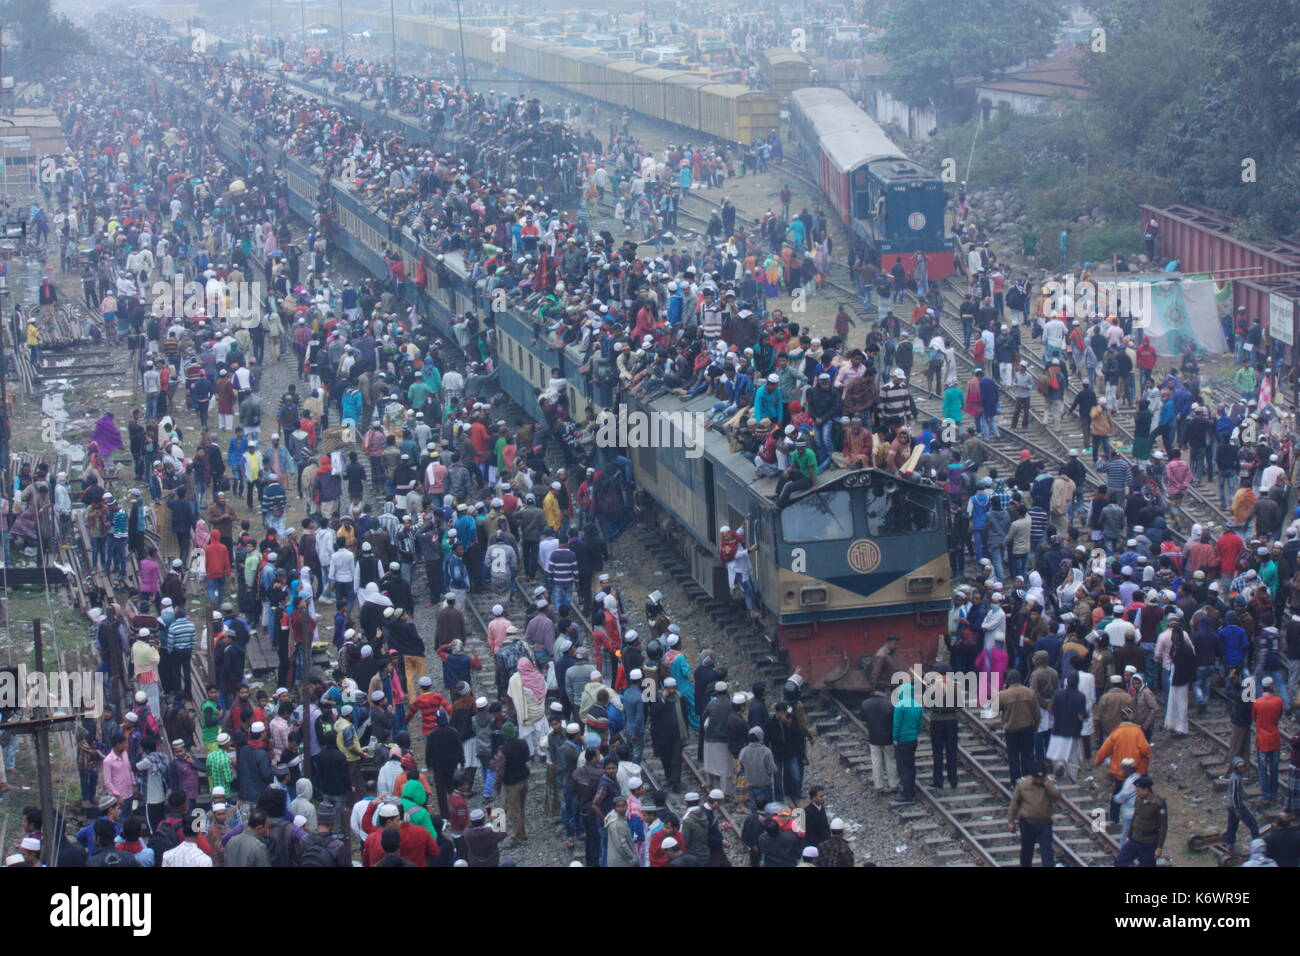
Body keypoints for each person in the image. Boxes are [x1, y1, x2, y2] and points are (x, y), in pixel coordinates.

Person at [1007, 760, 1061, 867]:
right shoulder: (1023, 784)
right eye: (1037, 778)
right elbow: (1014, 803)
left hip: (1045, 823)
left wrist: (1048, 785)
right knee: (1027, 851)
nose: (1039, 780)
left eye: (1041, 778)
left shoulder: (1049, 783)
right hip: (1027, 823)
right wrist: (1011, 820)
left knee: (1047, 852)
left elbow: (1057, 796)